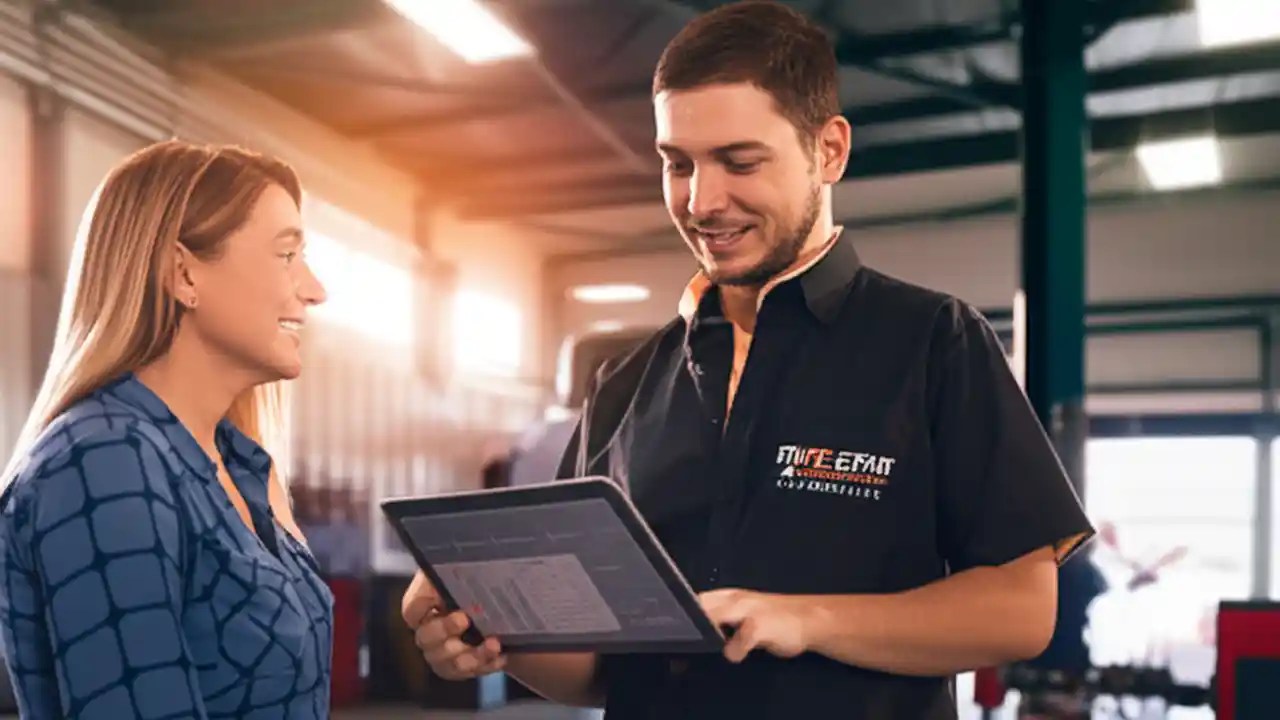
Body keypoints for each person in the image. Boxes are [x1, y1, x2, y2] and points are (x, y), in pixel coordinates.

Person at [401, 2, 1095, 718]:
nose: (702, 201)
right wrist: (488, 629)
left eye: (739, 161)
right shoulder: (625, 386)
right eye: (678, 164)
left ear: (829, 151)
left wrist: (809, 619)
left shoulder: (933, 344)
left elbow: (1021, 609)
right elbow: (601, 671)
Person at [0, 140, 333, 719]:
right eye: (286, 255)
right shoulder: (105, 459)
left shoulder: (239, 464)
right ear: (183, 274)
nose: (315, 290)